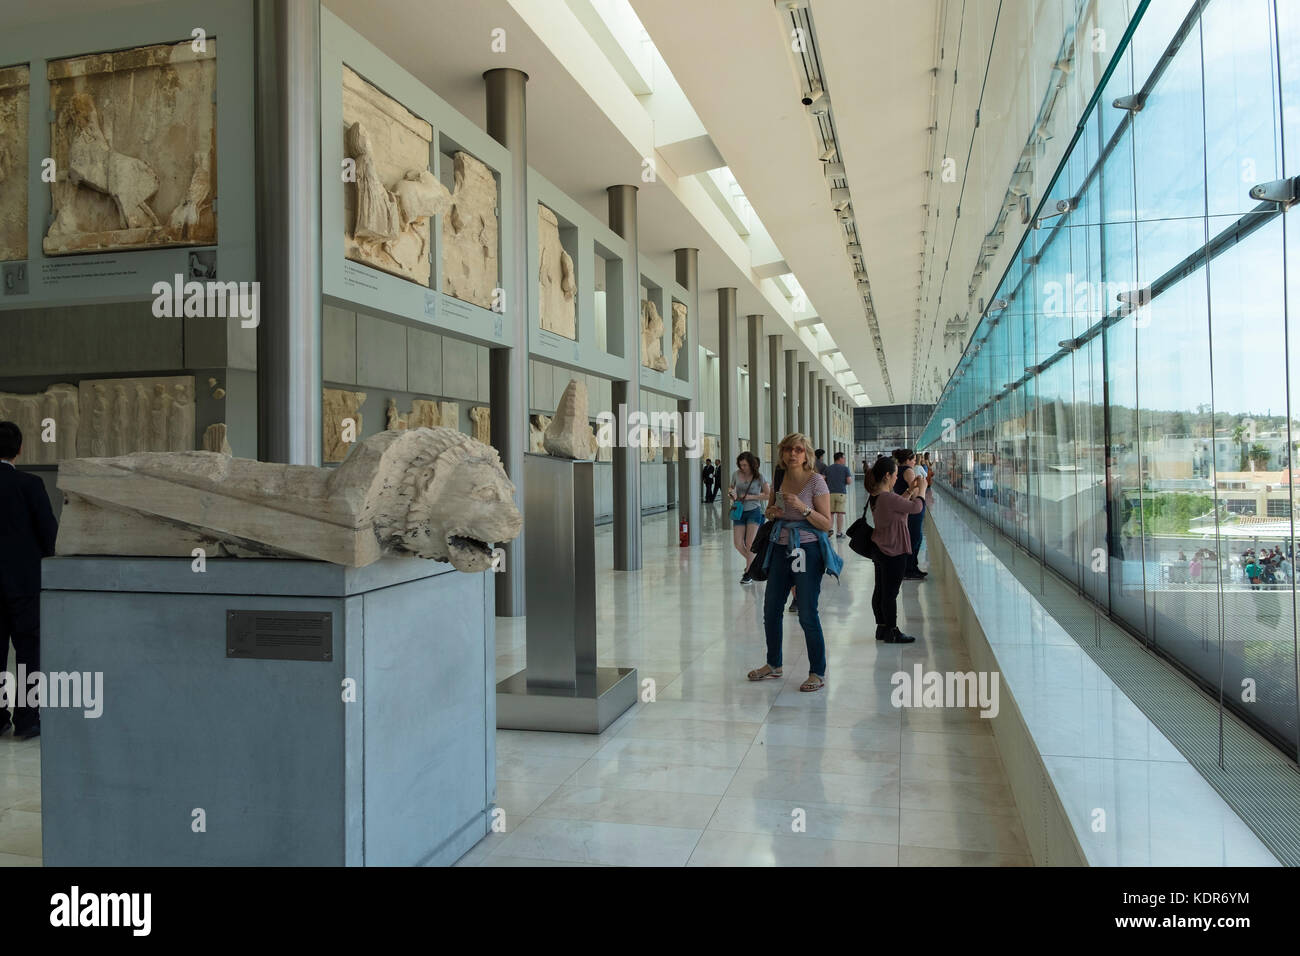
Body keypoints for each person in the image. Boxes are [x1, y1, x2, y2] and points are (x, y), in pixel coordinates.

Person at [747, 432, 836, 692]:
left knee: (807, 612)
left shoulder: (816, 481)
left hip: (807, 549)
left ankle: (817, 671)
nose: (793, 454)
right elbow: (771, 510)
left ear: (806, 453)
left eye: (798, 449)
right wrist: (771, 512)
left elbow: (826, 523)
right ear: (782, 454)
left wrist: (804, 508)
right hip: (779, 547)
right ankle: (773, 664)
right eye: (788, 450)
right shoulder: (779, 477)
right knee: (771, 609)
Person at [0, 421, 59, 739]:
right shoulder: (30, 484)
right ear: (19, 449)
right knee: (28, 652)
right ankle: (26, 719)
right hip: (23, 584)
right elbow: (50, 535)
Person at [868, 455, 925, 643]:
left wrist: (909, 490)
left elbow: (897, 506)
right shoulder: (887, 497)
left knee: (881, 590)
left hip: (880, 549)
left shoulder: (878, 496)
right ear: (887, 475)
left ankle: (882, 627)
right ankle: (892, 630)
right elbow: (916, 508)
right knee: (890, 593)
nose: (896, 478)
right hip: (894, 551)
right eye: (894, 475)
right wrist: (922, 491)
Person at [729, 452, 769, 584]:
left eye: (745, 465)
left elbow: (768, 495)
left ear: (751, 464)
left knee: (750, 543)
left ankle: (748, 573)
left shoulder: (759, 477)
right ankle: (754, 563)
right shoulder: (736, 474)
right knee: (738, 543)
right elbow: (731, 487)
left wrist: (752, 497)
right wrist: (731, 493)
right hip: (739, 510)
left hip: (754, 510)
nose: (743, 467)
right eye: (741, 465)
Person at [893, 448, 927, 580]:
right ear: (907, 460)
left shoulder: (897, 470)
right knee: (915, 538)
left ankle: (911, 566)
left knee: (912, 537)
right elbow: (914, 491)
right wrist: (921, 493)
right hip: (912, 508)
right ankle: (909, 568)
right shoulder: (908, 471)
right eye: (913, 460)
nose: (914, 462)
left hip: (903, 506)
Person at [824, 451, 852, 538]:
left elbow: (823, 479)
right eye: (844, 458)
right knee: (840, 514)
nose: (844, 460)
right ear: (840, 458)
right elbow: (849, 481)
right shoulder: (845, 468)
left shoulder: (828, 468)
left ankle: (829, 531)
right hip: (841, 493)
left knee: (830, 513)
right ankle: (839, 533)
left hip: (830, 494)